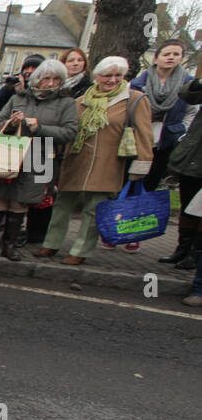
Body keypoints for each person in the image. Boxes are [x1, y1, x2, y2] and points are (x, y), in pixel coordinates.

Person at [34, 56, 153, 265]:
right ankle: (51, 243)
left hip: (109, 161)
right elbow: (68, 129)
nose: (112, 80)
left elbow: (144, 134)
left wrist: (141, 164)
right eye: (107, 75)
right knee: (62, 204)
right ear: (97, 77)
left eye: (118, 75)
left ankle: (81, 250)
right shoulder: (81, 101)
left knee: (94, 208)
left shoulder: (134, 100)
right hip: (76, 159)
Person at [0, 59, 77, 260]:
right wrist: (11, 123)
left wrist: (38, 128)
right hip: (7, 156)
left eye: (56, 79)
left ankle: (9, 246)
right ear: (37, 79)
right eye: (46, 78)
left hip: (39, 159)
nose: (50, 83)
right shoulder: (18, 98)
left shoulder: (66, 103)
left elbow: (69, 132)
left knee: (20, 204)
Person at [130, 39, 198, 251]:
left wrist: (180, 135)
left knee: (148, 187)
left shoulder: (187, 84)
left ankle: (135, 232)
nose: (171, 57)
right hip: (137, 139)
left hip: (165, 142)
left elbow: (191, 112)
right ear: (156, 57)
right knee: (127, 184)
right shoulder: (140, 82)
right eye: (166, 53)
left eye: (176, 54)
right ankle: (117, 225)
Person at [165, 78, 202, 273]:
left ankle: (195, 254)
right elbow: (188, 96)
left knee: (200, 210)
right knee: (187, 207)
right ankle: (182, 249)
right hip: (193, 157)